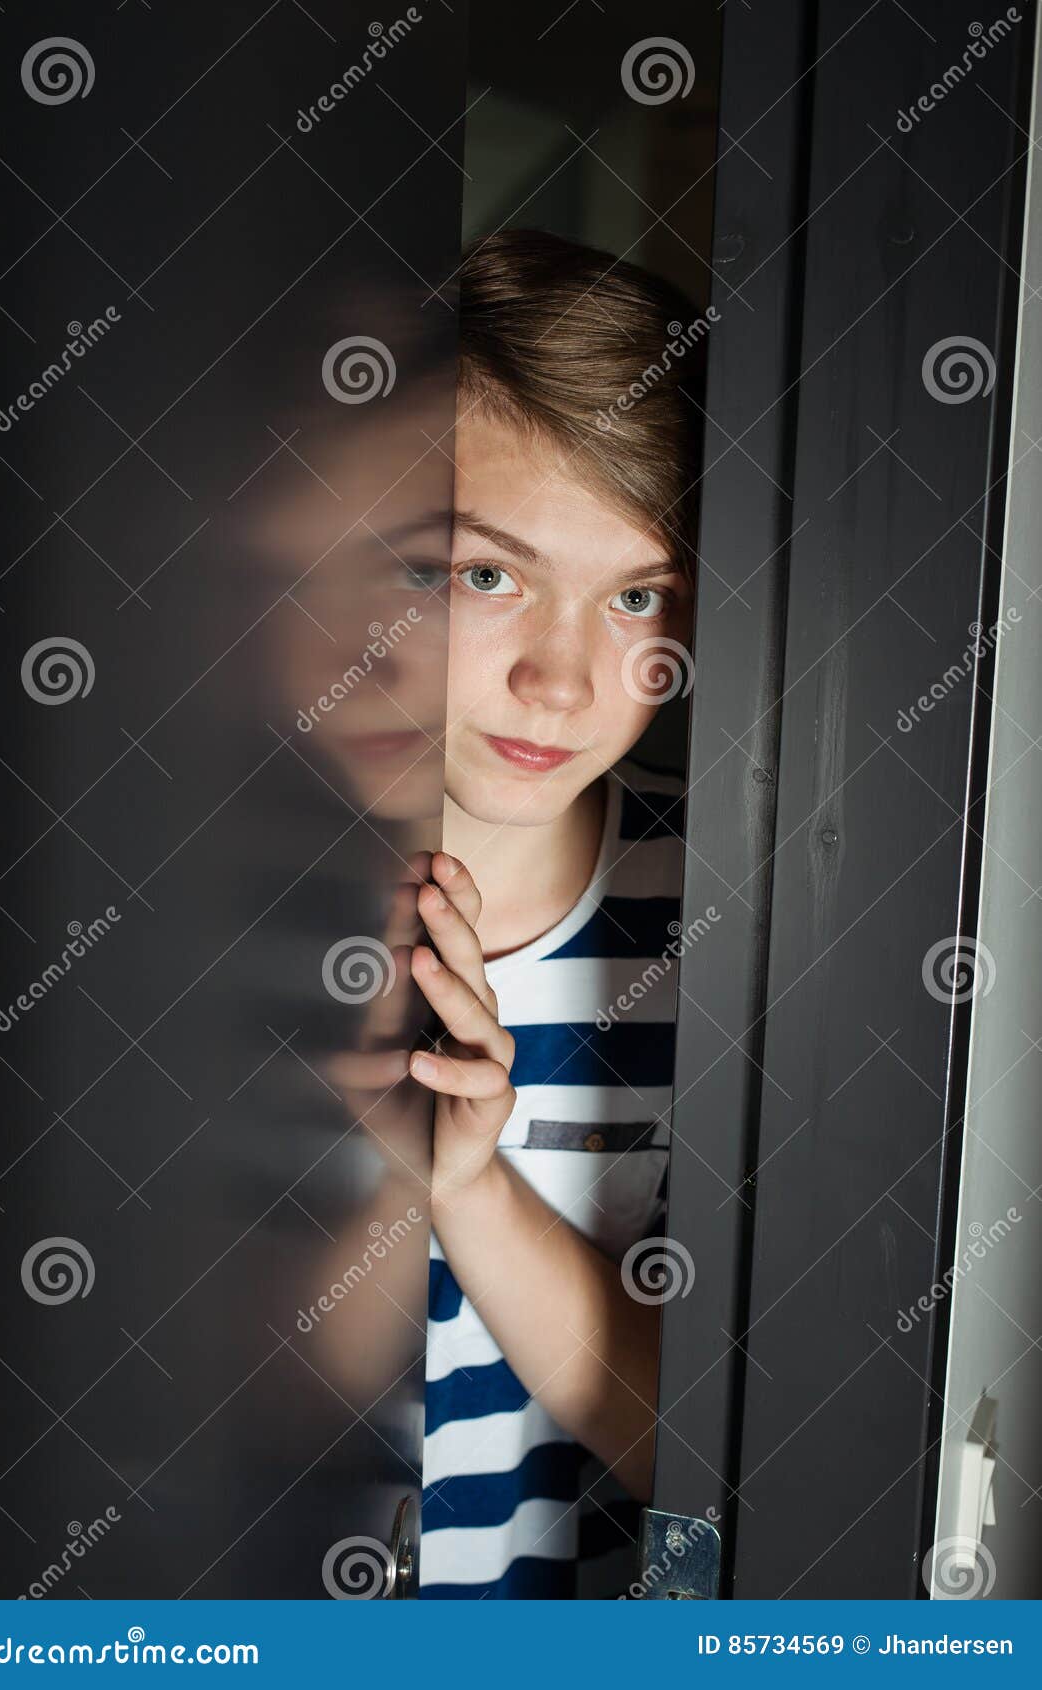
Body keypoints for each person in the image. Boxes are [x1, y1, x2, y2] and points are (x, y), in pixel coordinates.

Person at [406, 229, 707, 1598]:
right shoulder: (211, 896)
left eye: (634, 595)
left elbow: (703, 1453)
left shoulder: (726, 922)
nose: (563, 680)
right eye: (490, 573)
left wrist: (470, 1188)